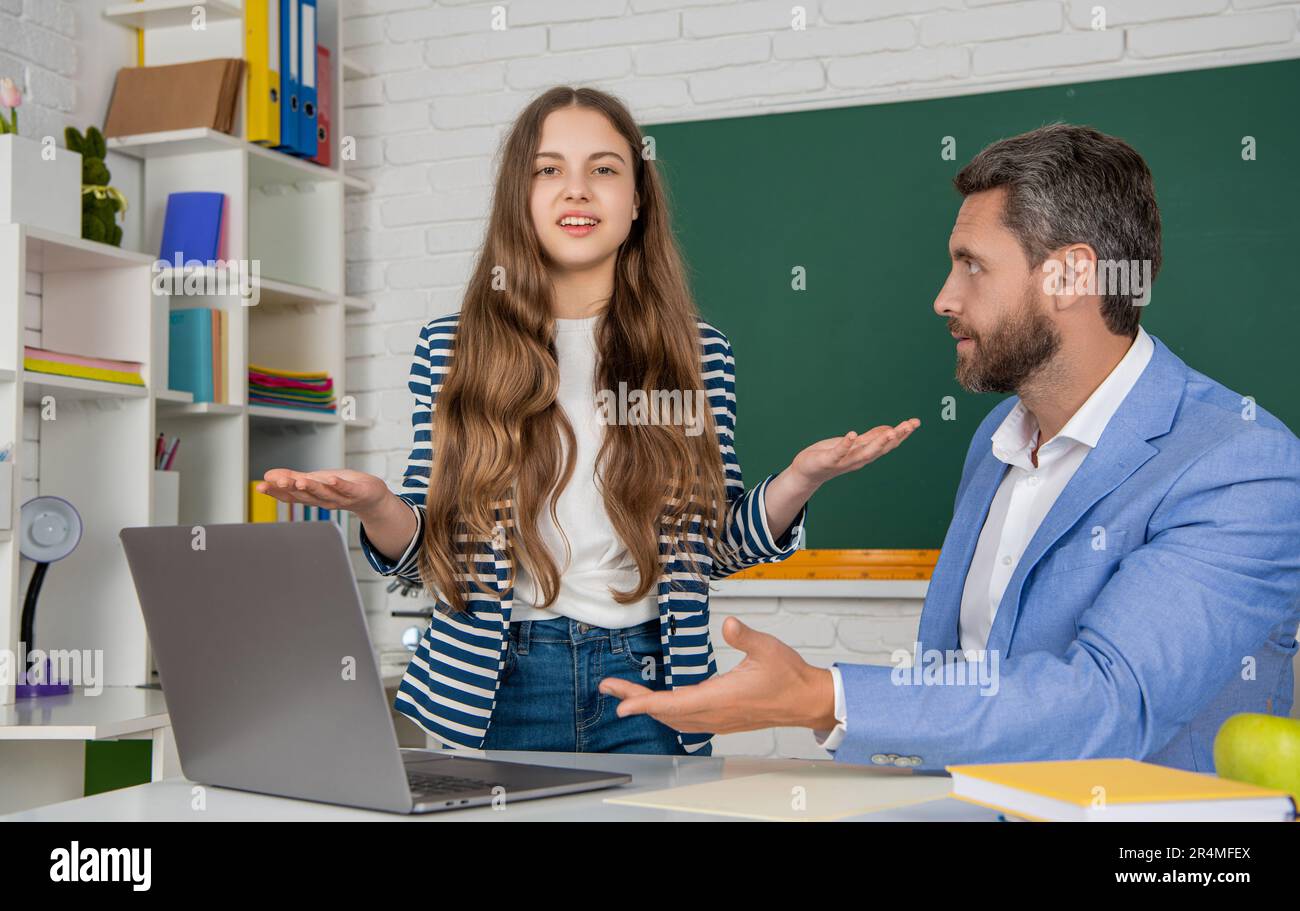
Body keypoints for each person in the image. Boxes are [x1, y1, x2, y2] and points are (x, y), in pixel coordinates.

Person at [601, 124, 1300, 773]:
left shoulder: (1240, 467)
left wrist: (823, 695)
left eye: (972, 266)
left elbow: (1108, 703)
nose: (942, 297)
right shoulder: (995, 443)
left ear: (1071, 275)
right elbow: (958, 674)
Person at [256, 85, 919, 755]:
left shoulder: (698, 354)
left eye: (603, 169)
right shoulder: (454, 346)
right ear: (520, 196)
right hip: (493, 684)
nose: (576, 190)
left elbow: (713, 548)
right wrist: (375, 506)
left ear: (636, 201)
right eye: (549, 170)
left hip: (650, 684)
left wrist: (798, 481)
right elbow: (429, 552)